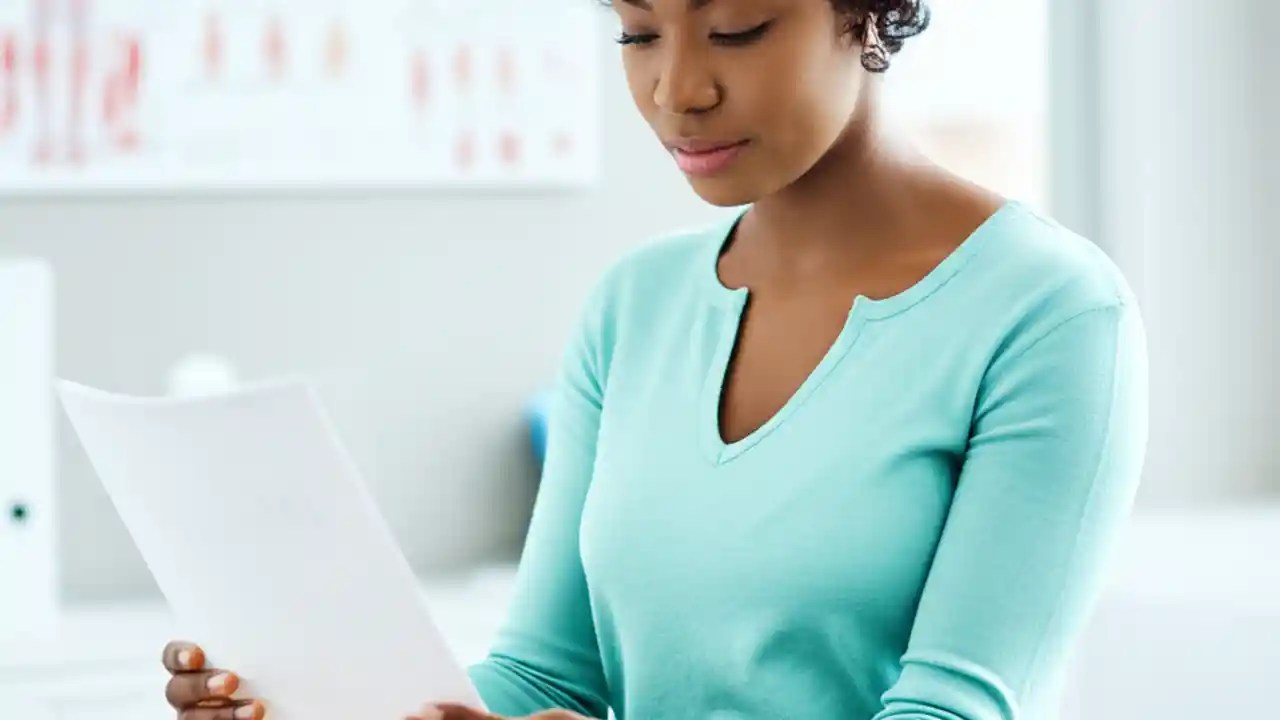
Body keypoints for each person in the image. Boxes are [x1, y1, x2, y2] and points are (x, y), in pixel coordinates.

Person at [160, 0, 1149, 718]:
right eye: (635, 33)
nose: (677, 88)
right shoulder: (633, 305)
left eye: (736, 31)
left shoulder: (1048, 311)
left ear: (865, 16)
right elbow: (547, 678)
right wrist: (308, 700)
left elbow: (952, 710)